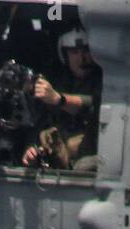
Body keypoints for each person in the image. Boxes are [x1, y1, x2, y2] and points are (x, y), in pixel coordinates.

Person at [22, 27, 103, 171]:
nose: (81, 58)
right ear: (65, 55)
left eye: (86, 51)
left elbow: (92, 104)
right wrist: (31, 149)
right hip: (59, 159)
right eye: (74, 52)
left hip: (87, 158)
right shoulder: (58, 82)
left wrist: (59, 99)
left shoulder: (103, 81)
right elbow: (40, 121)